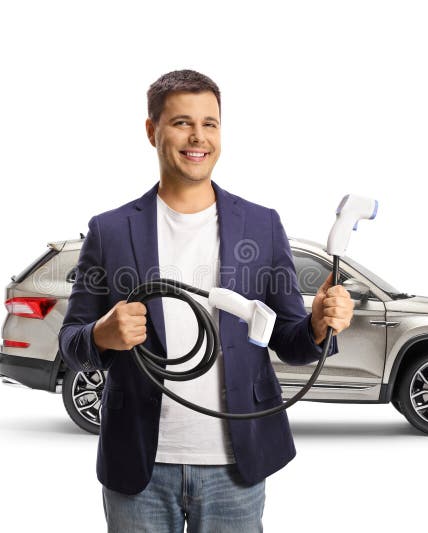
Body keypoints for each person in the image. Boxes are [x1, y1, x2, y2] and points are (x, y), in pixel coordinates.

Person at [59, 69, 354, 533]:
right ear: (152, 130)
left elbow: (289, 340)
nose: (198, 137)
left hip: (235, 465)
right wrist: (102, 334)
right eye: (182, 123)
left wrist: (317, 325)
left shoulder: (261, 225)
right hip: (138, 462)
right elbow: (70, 342)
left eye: (209, 123)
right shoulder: (110, 230)